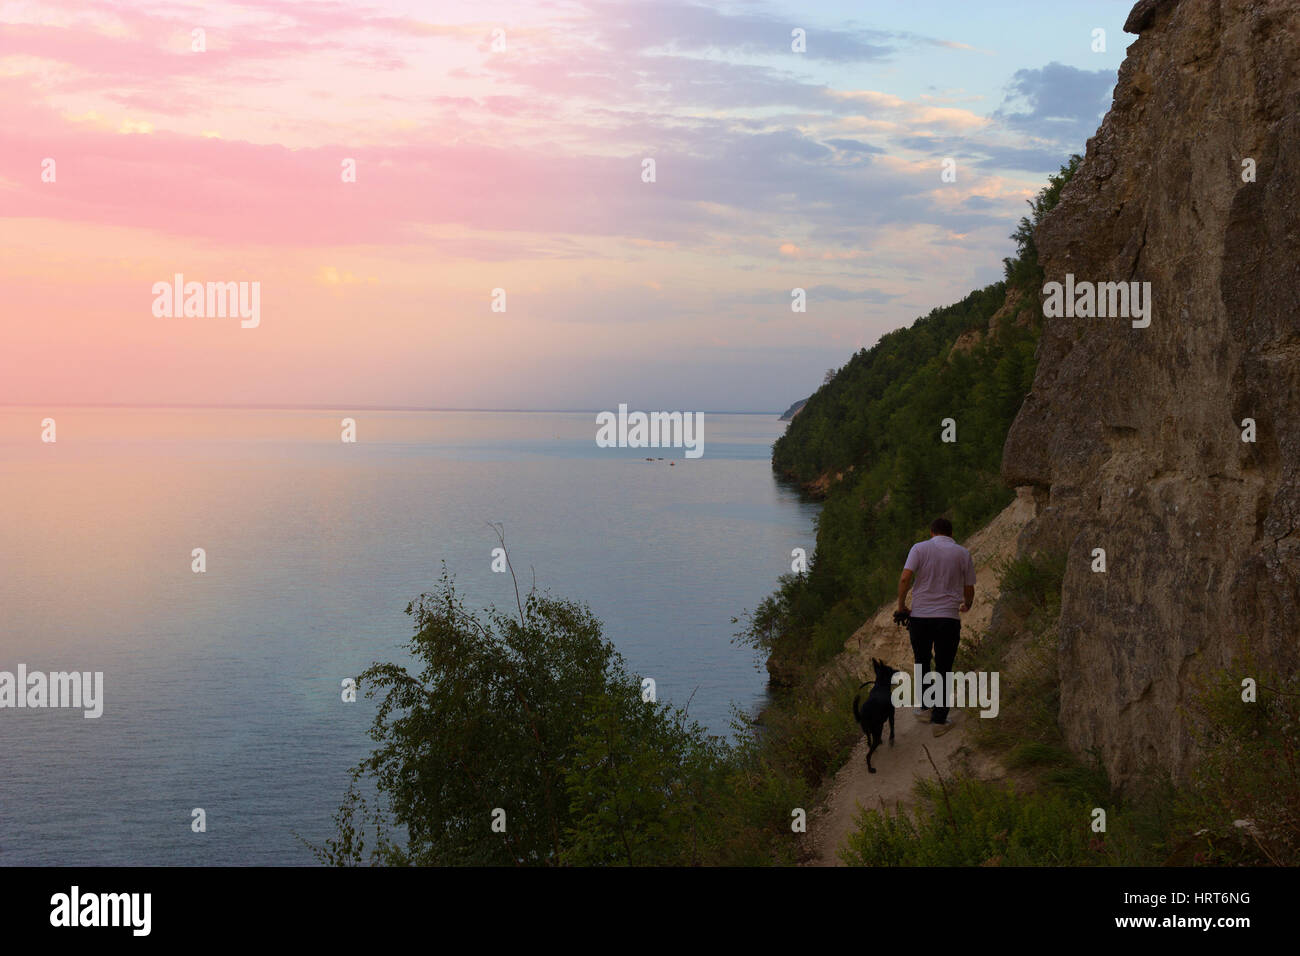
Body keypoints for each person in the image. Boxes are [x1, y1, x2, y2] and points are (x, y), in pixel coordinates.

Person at [896, 517, 975, 736]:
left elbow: (905, 579)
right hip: (948, 618)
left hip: (920, 618)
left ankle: (924, 708)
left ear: (932, 532)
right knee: (943, 667)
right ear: (951, 533)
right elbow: (969, 587)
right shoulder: (963, 553)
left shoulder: (919, 548)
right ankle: (939, 721)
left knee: (922, 661)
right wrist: (967, 604)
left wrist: (902, 606)